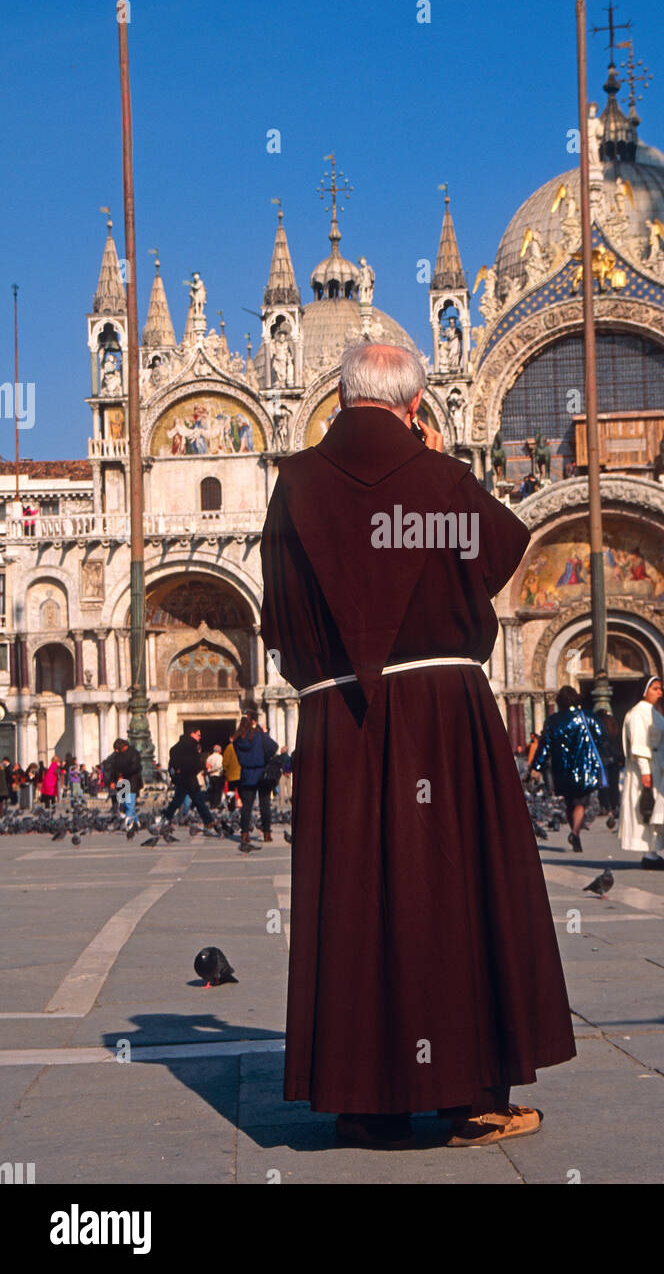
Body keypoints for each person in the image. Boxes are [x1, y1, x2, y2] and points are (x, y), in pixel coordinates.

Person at [260, 339, 574, 1149]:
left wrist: (331, 670)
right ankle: (470, 1097)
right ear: (413, 406)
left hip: (339, 719)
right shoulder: (437, 480)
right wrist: (444, 464)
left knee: (358, 897)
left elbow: (279, 619)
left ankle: (366, 1101)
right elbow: (503, 552)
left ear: (338, 398)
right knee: (456, 892)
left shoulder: (293, 485)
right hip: (443, 714)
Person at [530, 686, 605, 852]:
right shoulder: (588, 717)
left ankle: (575, 833)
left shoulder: (553, 720)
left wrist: (536, 767)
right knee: (581, 803)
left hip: (562, 769)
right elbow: (600, 737)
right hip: (584, 767)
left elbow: (544, 746)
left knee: (570, 801)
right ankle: (575, 832)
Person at [620, 676, 664, 868]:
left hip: (659, 767)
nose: (660, 692)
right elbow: (639, 746)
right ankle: (649, 855)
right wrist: (645, 773)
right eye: (655, 689)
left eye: (660, 689)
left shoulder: (654, 713)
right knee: (647, 810)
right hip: (648, 770)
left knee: (655, 811)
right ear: (644, 691)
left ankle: (653, 852)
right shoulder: (636, 714)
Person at [234, 708, 278, 850]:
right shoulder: (260, 735)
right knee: (264, 805)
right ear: (254, 721)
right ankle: (266, 833)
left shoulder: (238, 739)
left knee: (246, 807)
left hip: (247, 774)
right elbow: (274, 747)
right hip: (262, 773)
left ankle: (245, 833)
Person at [161, 729, 216, 834]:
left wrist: (176, 774)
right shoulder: (191, 747)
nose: (200, 737)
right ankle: (209, 822)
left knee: (178, 801)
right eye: (198, 735)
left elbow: (172, 764)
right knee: (198, 801)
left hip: (181, 778)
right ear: (192, 734)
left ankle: (166, 818)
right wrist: (203, 766)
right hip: (189, 778)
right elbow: (194, 763)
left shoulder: (175, 748)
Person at [106, 738, 143, 826]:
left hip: (132, 782)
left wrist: (123, 774)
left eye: (118, 749)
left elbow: (135, 768)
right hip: (121, 783)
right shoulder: (118, 755)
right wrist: (113, 780)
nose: (116, 751)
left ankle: (128, 824)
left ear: (124, 746)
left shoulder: (134, 753)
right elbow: (114, 768)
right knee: (125, 804)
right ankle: (136, 822)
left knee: (129, 803)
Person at [206, 745, 225, 810]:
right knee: (218, 791)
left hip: (211, 775)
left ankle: (212, 804)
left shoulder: (209, 757)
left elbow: (207, 766)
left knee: (212, 790)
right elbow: (220, 767)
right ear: (219, 750)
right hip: (218, 775)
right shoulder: (220, 757)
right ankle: (216, 804)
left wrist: (210, 771)